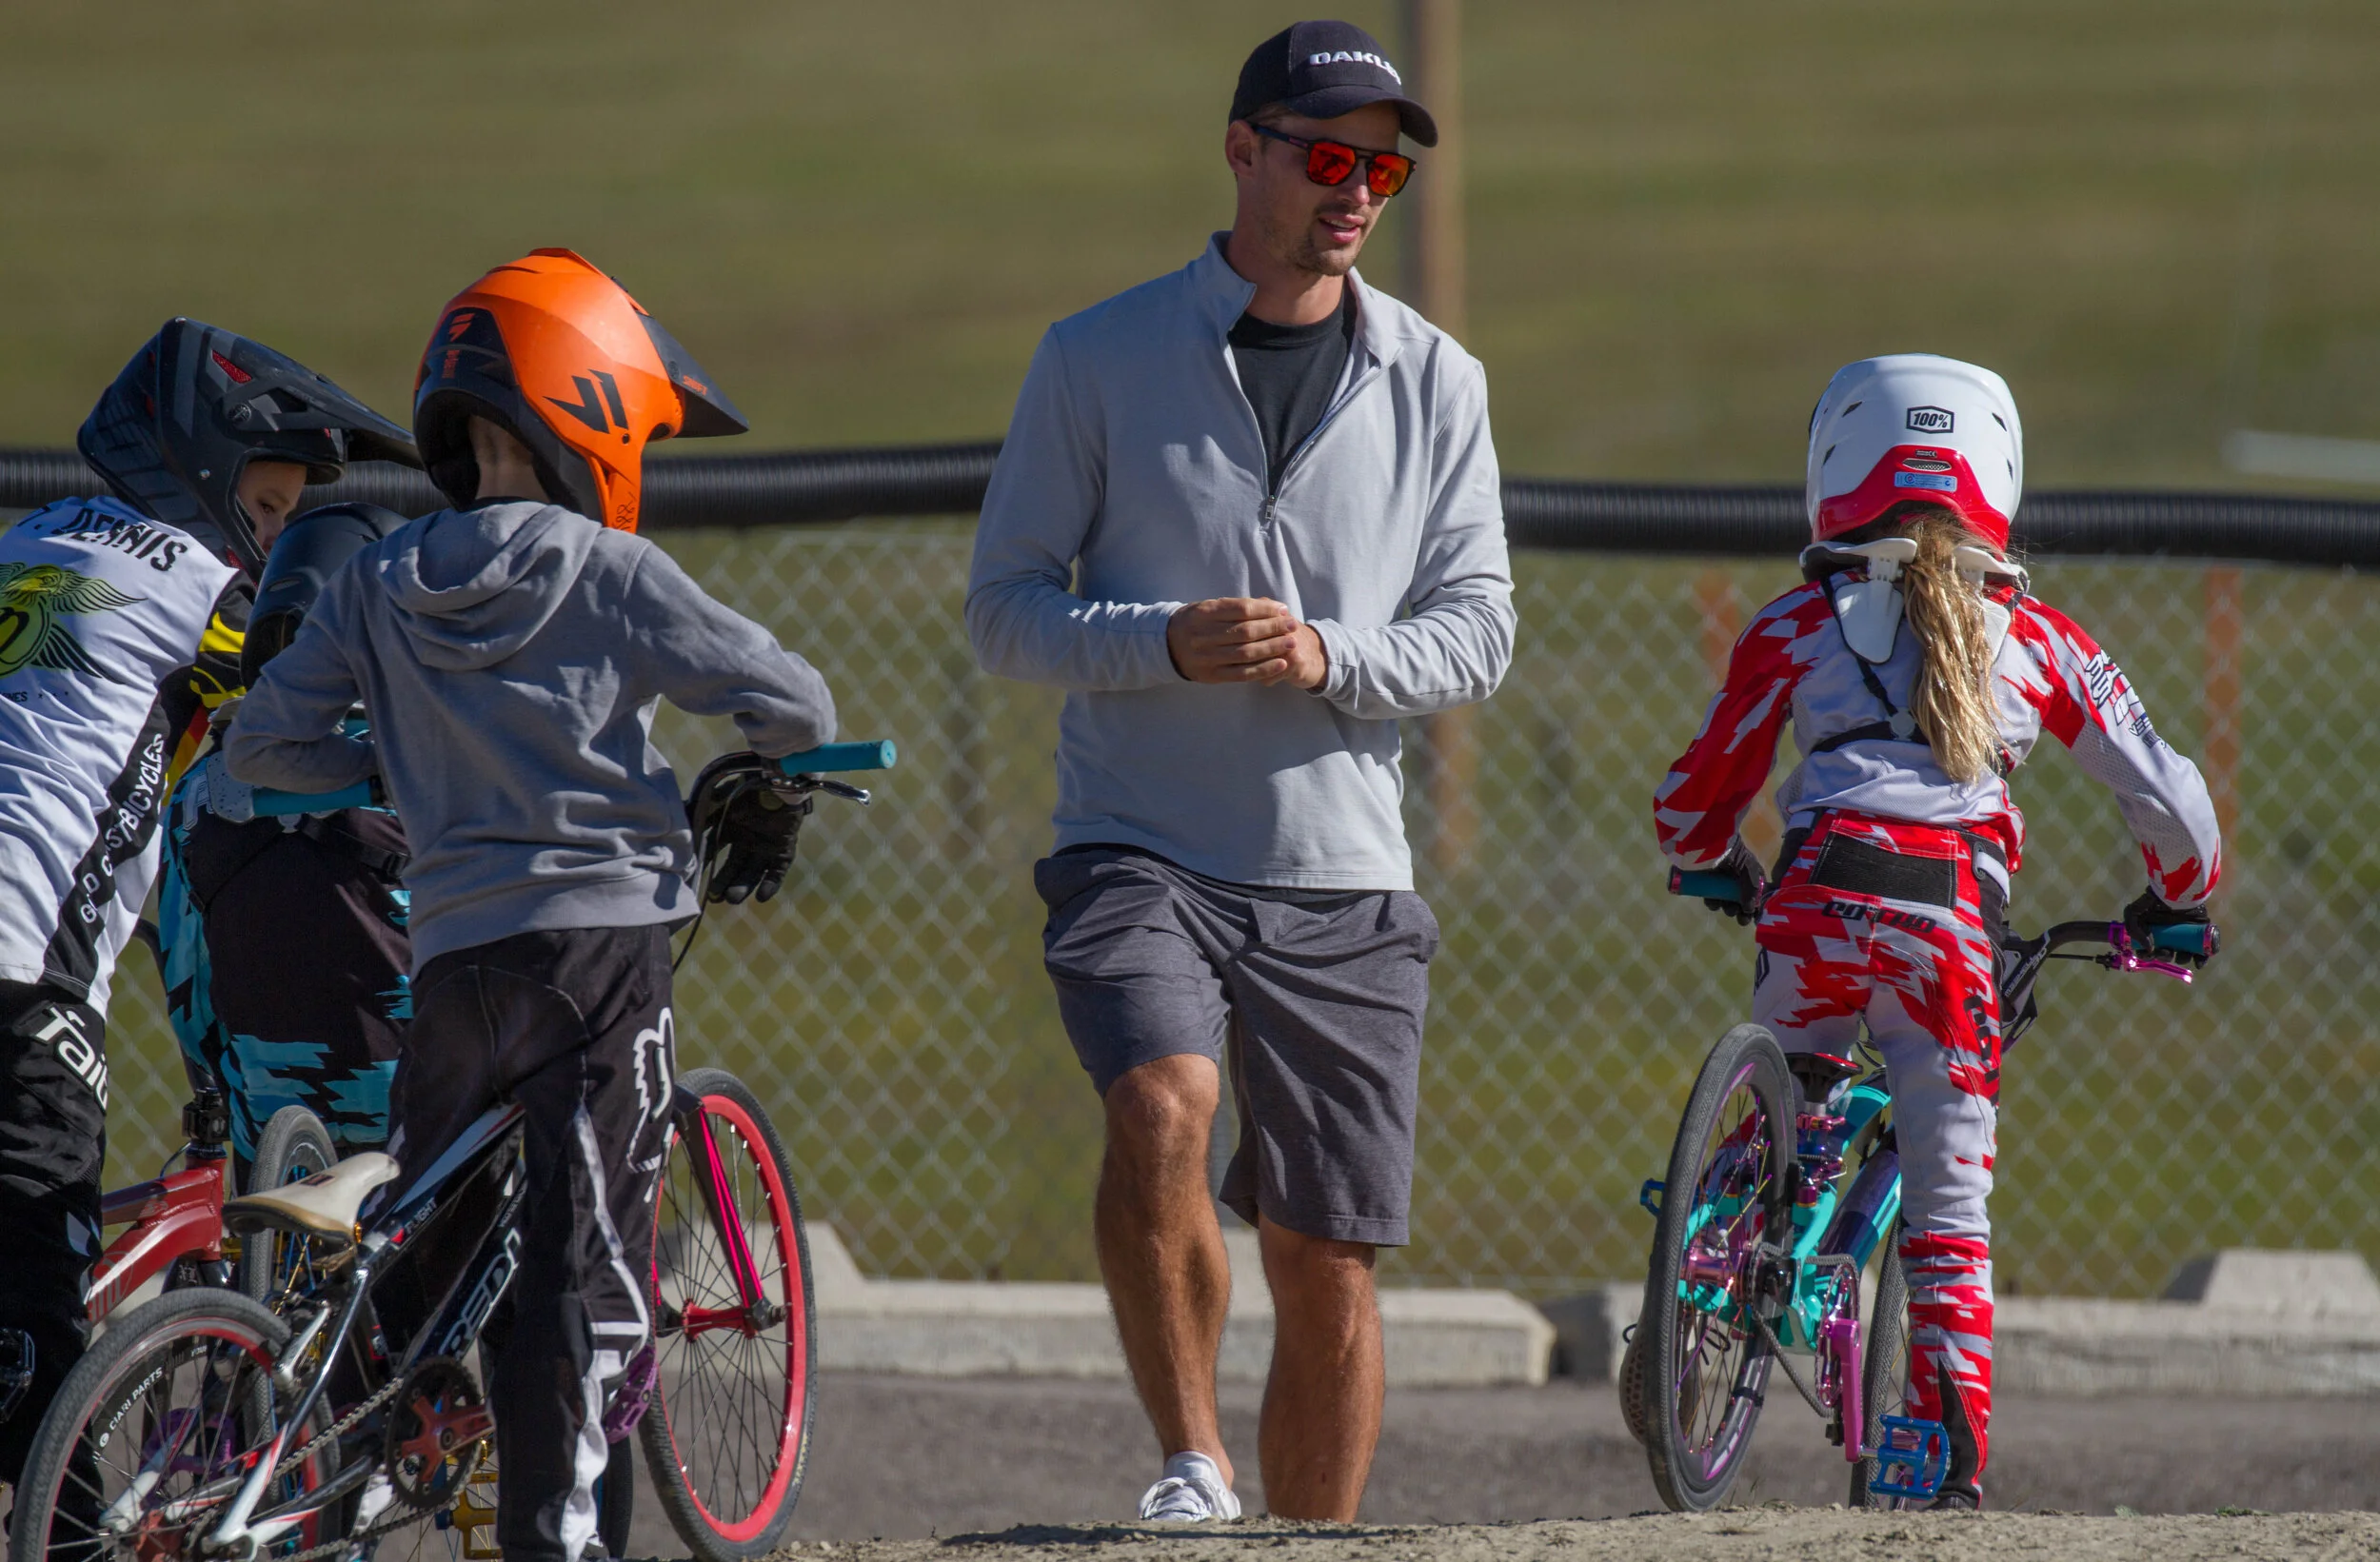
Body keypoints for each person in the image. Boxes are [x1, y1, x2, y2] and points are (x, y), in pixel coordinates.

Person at [967, 20, 1513, 1523]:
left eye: (1383, 169)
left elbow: (1477, 636)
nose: (1357, 192)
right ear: (1242, 150)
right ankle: (1193, 1465)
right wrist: (1166, 641)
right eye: (1327, 156)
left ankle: (1310, 1541)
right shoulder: (1097, 354)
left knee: (1325, 1255)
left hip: (1344, 870)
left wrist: (1332, 658)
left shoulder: (1436, 380)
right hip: (1137, 841)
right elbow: (1004, 612)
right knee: (1160, 1103)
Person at [224, 248, 837, 1562]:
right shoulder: (611, 572)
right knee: (587, 1267)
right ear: (594, 407)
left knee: (435, 1248)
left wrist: (390, 761)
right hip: (601, 951)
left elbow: (262, 752)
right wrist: (758, 775)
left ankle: (372, 1459)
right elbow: (793, 702)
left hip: (452, 956)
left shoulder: (380, 581)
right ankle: (557, 1535)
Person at [1652, 354, 2223, 1509]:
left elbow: (1692, 798)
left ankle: (1709, 1260)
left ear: (1831, 467)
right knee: (1949, 1213)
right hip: (1949, 925)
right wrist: (2173, 900)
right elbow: (2175, 805)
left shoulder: (1791, 624)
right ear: (1997, 473)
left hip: (1813, 900)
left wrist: (1713, 863)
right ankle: (1937, 1464)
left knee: (1797, 1082)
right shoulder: (2039, 639)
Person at [0, 319, 414, 1492]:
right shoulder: (202, 583)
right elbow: (333, 685)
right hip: (22, 973)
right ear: (203, 477)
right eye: (271, 506)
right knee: (40, 1364)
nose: (278, 537)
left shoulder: (27, 541)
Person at [159, 501, 416, 1178]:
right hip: (429, 1132)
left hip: (274, 1140)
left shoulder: (197, 796)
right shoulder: (426, 778)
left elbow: (193, 1003)